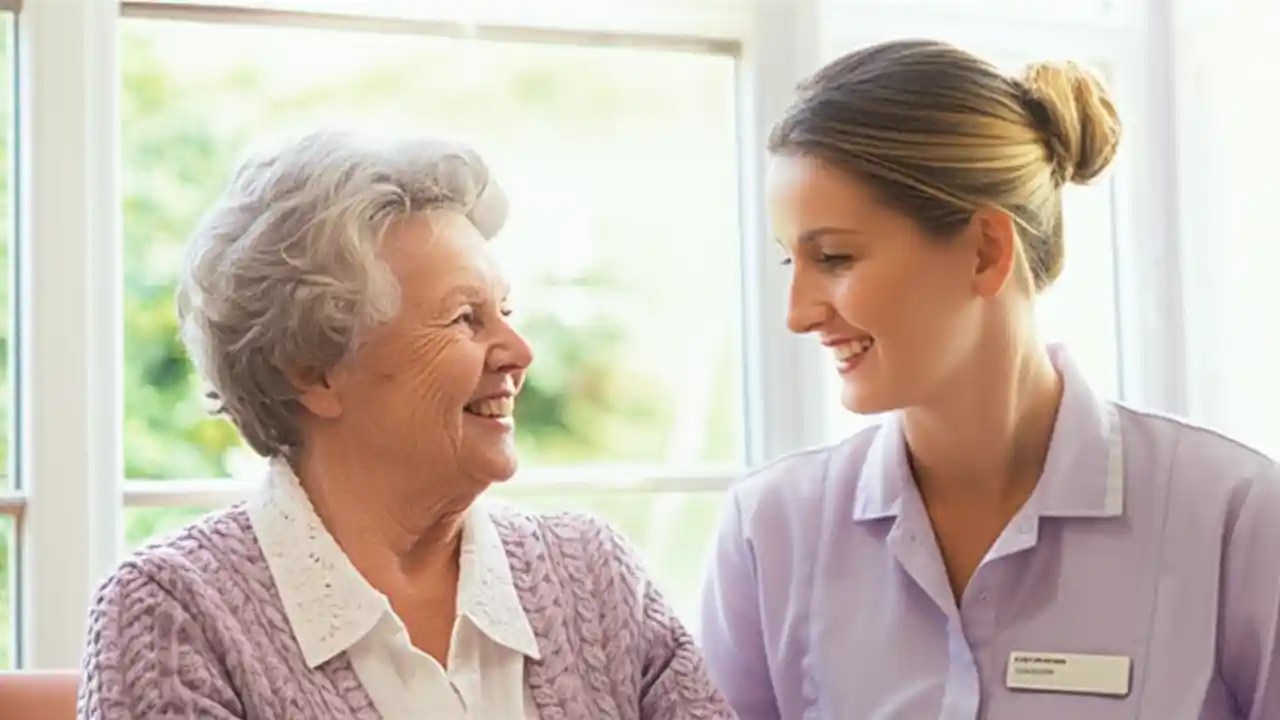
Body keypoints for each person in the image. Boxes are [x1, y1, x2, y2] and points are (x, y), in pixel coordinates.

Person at [698, 38, 1280, 719]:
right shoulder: (769, 531)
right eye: (787, 263)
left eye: (834, 256)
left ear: (985, 251)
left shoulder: (1234, 520)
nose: (798, 315)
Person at [78, 130, 734, 720]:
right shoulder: (174, 612)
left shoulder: (595, 578)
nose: (519, 352)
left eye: (505, 310)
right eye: (464, 319)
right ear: (315, 372)